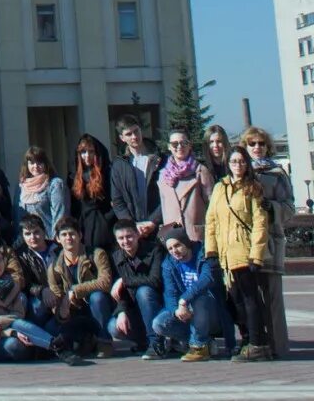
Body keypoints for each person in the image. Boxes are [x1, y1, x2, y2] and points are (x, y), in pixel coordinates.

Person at [207, 146, 275, 362]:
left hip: (244, 251)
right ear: (228, 163)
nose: (238, 165)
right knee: (235, 300)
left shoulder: (253, 188)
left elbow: (260, 223)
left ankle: (257, 343)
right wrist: (211, 249)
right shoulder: (220, 188)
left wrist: (256, 254)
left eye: (242, 161)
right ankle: (247, 338)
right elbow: (211, 220)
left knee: (250, 299)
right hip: (226, 254)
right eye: (234, 161)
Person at [240, 126, 294, 358]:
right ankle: (256, 344)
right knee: (249, 298)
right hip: (244, 242)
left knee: (272, 297)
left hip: (270, 240)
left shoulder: (277, 172)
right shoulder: (238, 171)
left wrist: (271, 208)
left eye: (261, 144)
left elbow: (290, 207)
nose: (257, 148)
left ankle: (278, 347)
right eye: (252, 144)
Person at [0, 244, 58, 362]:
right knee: (14, 345)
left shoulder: (12, 283)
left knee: (18, 323)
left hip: (13, 328)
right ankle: (52, 346)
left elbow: (18, 313)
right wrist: (12, 333)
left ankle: (55, 345)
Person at [46, 215, 115, 358]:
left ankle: (104, 342)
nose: (68, 238)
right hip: (74, 311)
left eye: (72, 234)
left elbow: (105, 282)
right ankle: (84, 341)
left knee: (98, 297)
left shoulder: (96, 254)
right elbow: (56, 294)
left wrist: (75, 290)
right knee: (50, 328)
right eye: (64, 235)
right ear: (58, 239)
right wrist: (61, 313)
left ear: (80, 235)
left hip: (96, 306)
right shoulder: (54, 267)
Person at [152, 226, 226, 361]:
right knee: (159, 323)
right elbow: (170, 293)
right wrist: (176, 311)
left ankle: (199, 346)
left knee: (199, 299)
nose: (174, 251)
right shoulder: (168, 264)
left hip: (210, 310)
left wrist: (184, 299)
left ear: (186, 242)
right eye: (170, 249)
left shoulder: (203, 254)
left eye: (177, 245)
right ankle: (203, 341)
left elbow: (207, 278)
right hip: (185, 310)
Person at [109, 217, 163, 352]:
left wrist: (124, 281)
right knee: (113, 327)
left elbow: (155, 280)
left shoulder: (155, 250)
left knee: (143, 291)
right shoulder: (116, 257)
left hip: (157, 304)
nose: (125, 241)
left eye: (129, 236)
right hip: (134, 308)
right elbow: (119, 293)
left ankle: (156, 343)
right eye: (121, 238)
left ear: (138, 234)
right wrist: (121, 311)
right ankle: (143, 342)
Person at [158, 129, 214, 245]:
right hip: (173, 238)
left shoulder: (200, 170)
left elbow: (212, 206)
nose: (179, 147)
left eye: (183, 143)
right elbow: (164, 208)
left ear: (190, 145)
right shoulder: (163, 175)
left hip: (196, 237)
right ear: (169, 146)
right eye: (174, 144)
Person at [111, 117, 162, 238]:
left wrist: (153, 221)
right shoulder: (119, 165)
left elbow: (168, 195)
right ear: (122, 138)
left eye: (136, 131)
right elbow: (117, 201)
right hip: (134, 232)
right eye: (128, 134)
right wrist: (132, 225)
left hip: (159, 227)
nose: (134, 136)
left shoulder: (160, 159)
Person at [70, 135, 118, 255]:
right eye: (83, 152)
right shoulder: (74, 176)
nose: (87, 156)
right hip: (84, 226)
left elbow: (115, 200)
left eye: (91, 151)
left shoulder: (107, 173)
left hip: (104, 224)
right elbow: (74, 206)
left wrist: (106, 220)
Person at [17, 147, 70, 239]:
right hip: (26, 241)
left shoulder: (55, 184)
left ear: (45, 164)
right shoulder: (21, 186)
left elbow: (59, 214)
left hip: (48, 239)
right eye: (32, 163)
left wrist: (56, 239)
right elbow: (16, 216)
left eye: (39, 162)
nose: (35, 166)